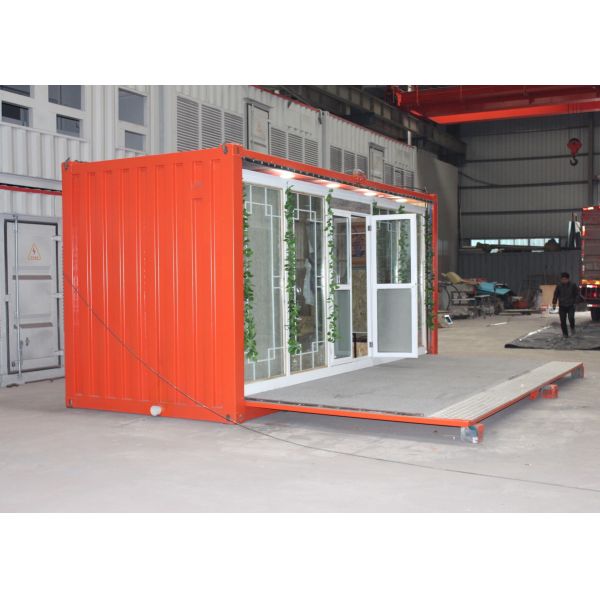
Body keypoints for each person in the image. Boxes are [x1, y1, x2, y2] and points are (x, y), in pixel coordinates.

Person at [552, 272, 583, 337]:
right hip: (562, 306)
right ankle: (565, 334)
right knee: (563, 320)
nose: (564, 281)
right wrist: (554, 304)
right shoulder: (559, 286)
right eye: (562, 279)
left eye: (565, 279)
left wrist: (576, 302)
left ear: (568, 279)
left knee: (571, 318)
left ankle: (572, 327)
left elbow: (577, 294)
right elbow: (555, 295)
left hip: (570, 305)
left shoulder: (573, 285)